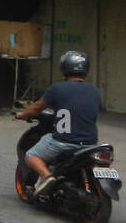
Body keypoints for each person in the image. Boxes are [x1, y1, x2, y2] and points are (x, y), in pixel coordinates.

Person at [14, 50, 102, 196]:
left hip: (63, 142)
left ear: (64, 67)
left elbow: (36, 108)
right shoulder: (95, 91)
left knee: (30, 155)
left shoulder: (57, 89)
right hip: (90, 143)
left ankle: (46, 176)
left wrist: (22, 114)